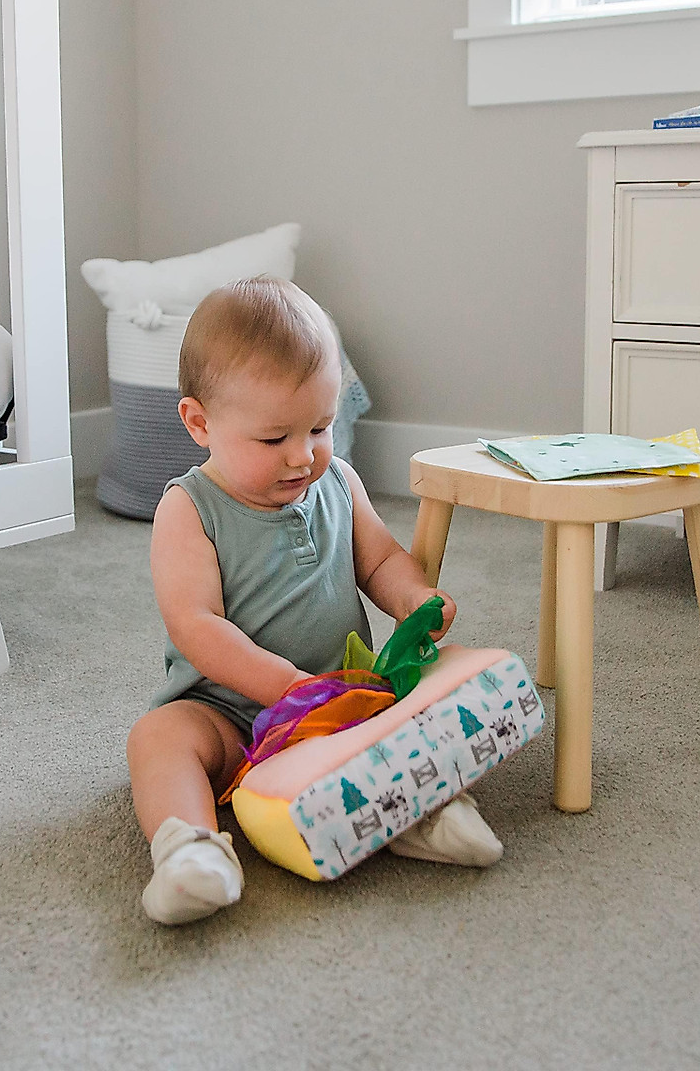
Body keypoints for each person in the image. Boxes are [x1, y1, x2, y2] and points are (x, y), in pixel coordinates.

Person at [127, 276, 504, 925]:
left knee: (431, 691)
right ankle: (191, 850)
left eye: (320, 427)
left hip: (342, 701)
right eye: (274, 439)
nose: (303, 455)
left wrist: (414, 597)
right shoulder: (188, 509)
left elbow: (380, 559)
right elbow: (195, 625)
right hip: (229, 712)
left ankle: (423, 812)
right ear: (200, 423)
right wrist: (285, 686)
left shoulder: (340, 484)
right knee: (158, 738)